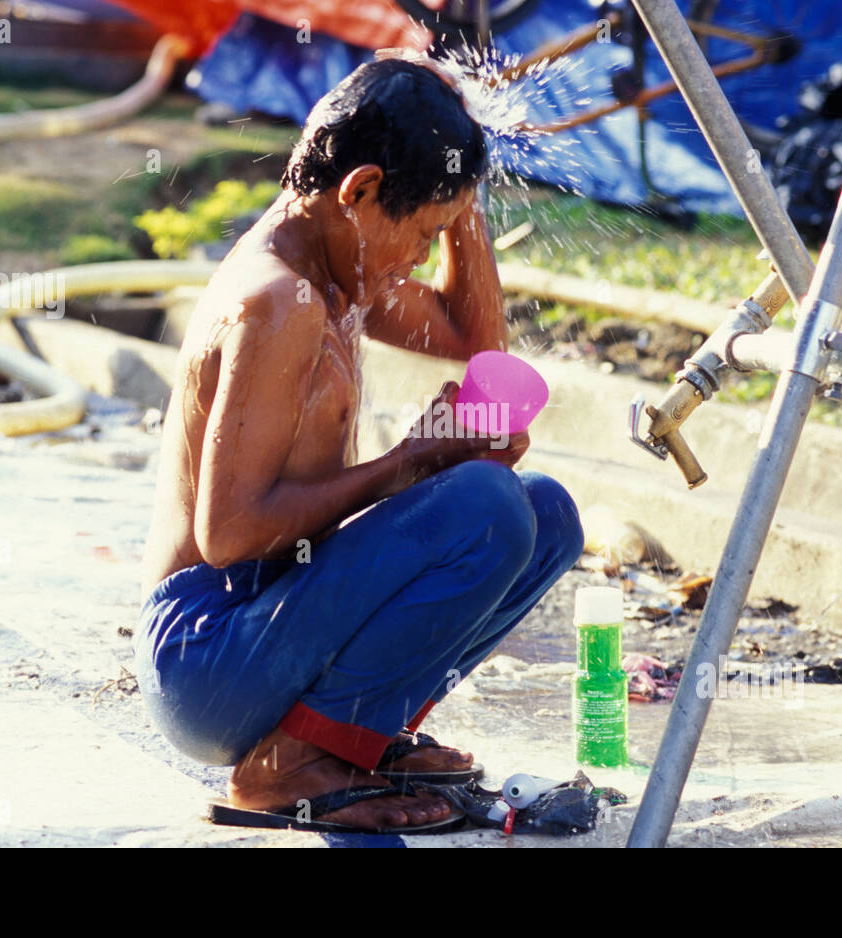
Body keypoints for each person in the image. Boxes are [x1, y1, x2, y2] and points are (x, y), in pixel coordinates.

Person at [134, 54, 585, 833]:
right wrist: (411, 464)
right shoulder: (277, 301)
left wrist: (458, 178)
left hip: (266, 628)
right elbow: (231, 531)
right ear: (362, 191)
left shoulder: (338, 270)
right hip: (208, 656)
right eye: (421, 233)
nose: (420, 255)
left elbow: (477, 345)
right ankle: (288, 767)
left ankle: (351, 739)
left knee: (543, 513)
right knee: (484, 504)